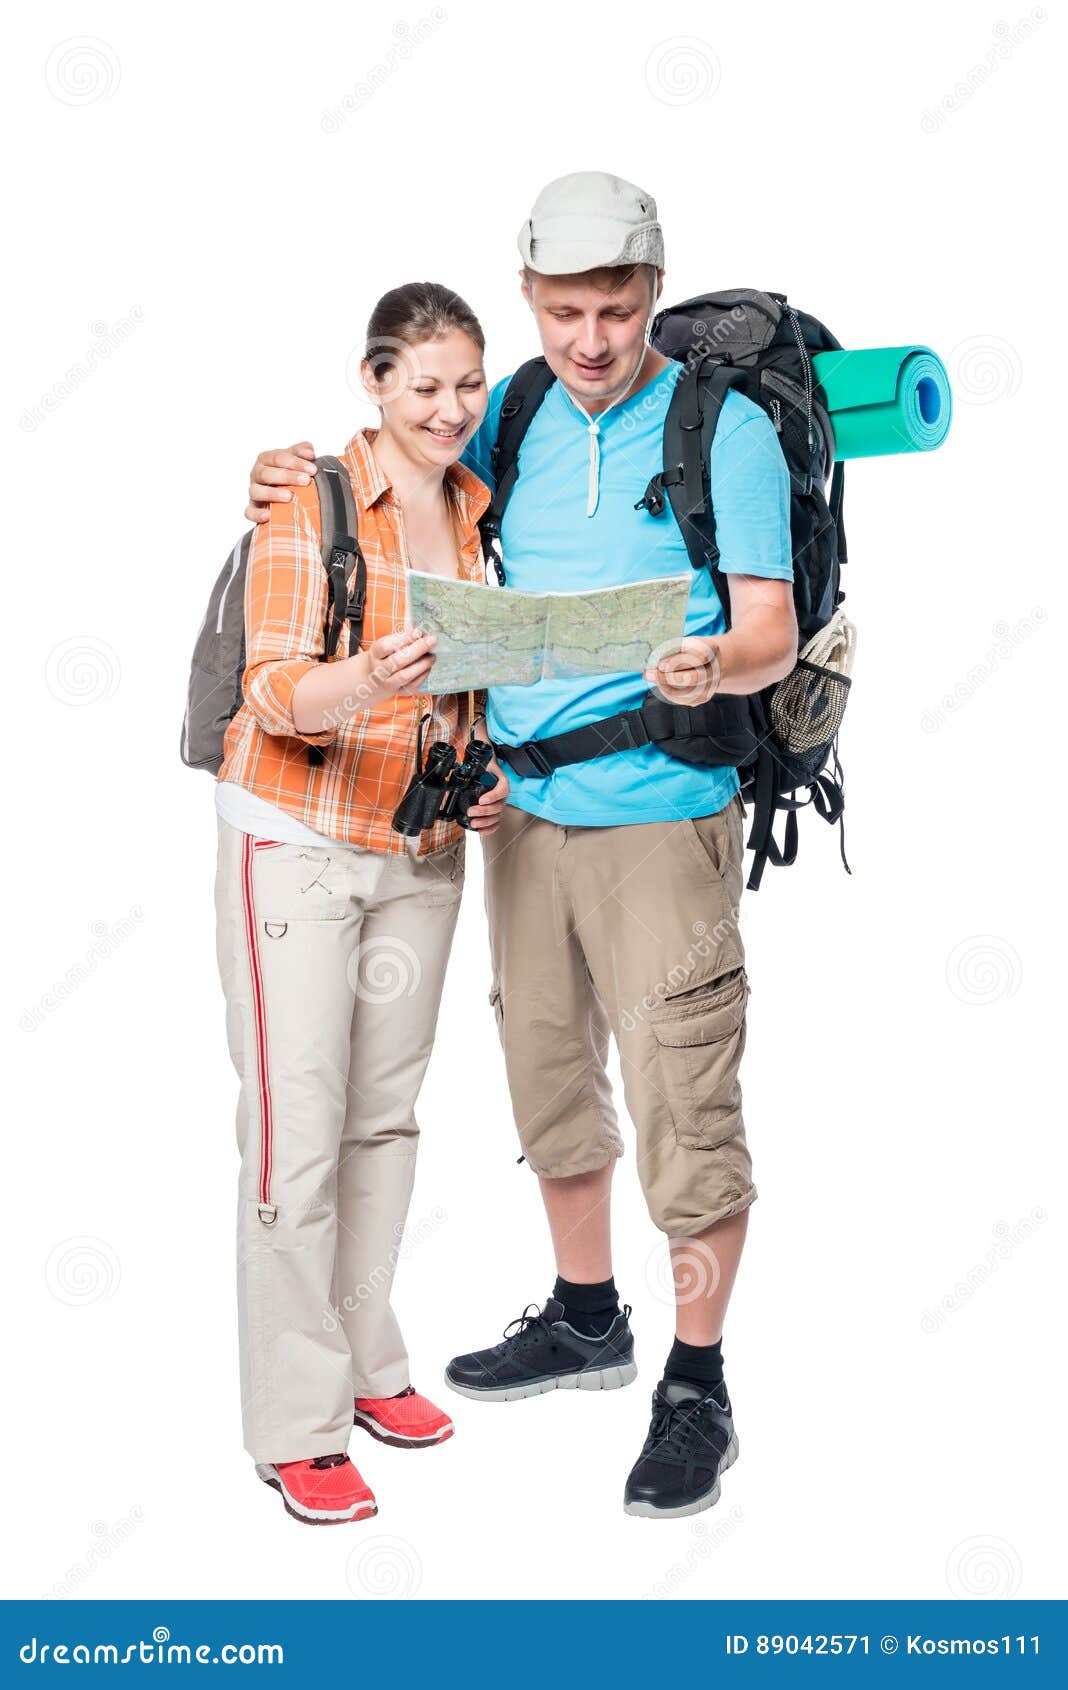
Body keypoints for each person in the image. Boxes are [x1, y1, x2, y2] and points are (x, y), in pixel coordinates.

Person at [245, 172, 797, 1519]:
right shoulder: (519, 405)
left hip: (665, 814)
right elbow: (404, 466)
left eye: (615, 309)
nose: (591, 338)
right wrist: (293, 470)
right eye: (563, 311)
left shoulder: (722, 430)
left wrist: (710, 658)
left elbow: (773, 629)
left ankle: (695, 1384)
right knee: (549, 1078)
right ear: (531, 303)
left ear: (653, 296)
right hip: (523, 814)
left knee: (687, 1105)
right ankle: (587, 1314)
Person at [216, 281, 509, 1524]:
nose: (449, 410)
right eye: (424, 385)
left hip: (424, 845)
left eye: (467, 385)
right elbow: (274, 691)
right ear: (373, 381)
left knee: (384, 1123)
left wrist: (481, 775)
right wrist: (364, 680)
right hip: (300, 840)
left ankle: (367, 1357)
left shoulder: (479, 509)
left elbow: (484, 676)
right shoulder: (310, 498)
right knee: (297, 1130)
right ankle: (297, 1423)